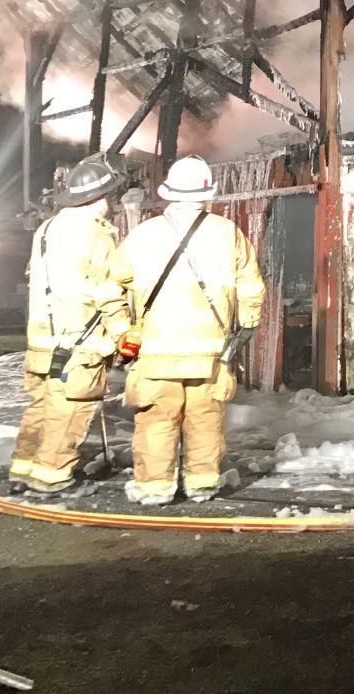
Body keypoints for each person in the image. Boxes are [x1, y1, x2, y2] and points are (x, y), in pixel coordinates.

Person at [111, 155, 265, 505]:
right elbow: (252, 288)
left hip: (154, 353)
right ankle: (202, 484)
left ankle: (154, 488)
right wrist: (248, 325)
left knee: (156, 420)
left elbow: (110, 288)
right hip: (209, 354)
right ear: (206, 193)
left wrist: (122, 331)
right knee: (205, 418)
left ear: (168, 193)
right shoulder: (229, 234)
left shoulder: (142, 235)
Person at [9, 155, 127, 494]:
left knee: (41, 407)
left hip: (42, 340)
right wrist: (122, 334)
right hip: (78, 341)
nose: (110, 202)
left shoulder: (48, 228)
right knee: (70, 409)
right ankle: (51, 476)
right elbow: (105, 289)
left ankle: (23, 468)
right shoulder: (95, 233)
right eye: (108, 195)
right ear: (97, 198)